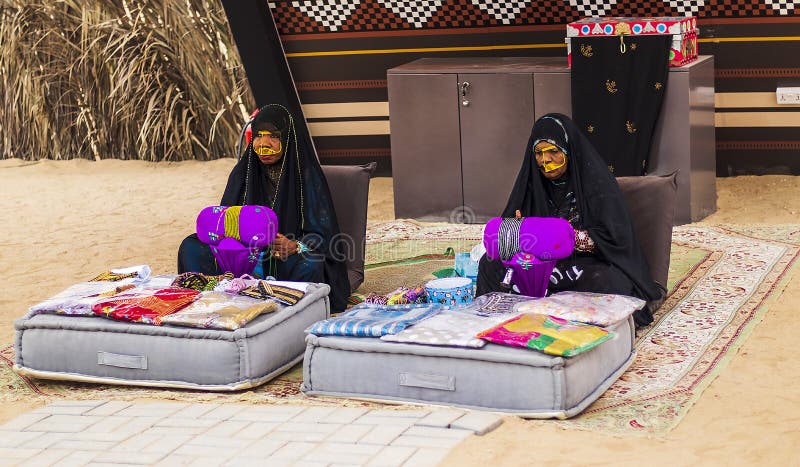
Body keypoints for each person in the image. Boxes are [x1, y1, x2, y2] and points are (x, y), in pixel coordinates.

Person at [476, 113, 664, 326]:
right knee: (489, 264)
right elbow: (506, 241)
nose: (545, 160)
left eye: (553, 152)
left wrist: (567, 239)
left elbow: (616, 240)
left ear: (569, 150)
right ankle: (494, 319)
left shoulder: (597, 186)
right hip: (536, 266)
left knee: (609, 281)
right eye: (538, 153)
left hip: (581, 266)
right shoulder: (531, 184)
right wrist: (519, 230)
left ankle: (552, 308)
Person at [177, 104, 350, 311]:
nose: (264, 144)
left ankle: (285, 309)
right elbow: (224, 220)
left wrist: (296, 246)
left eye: (273, 136)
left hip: (280, 258)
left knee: (310, 263)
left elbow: (325, 236)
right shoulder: (244, 173)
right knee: (191, 246)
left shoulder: (307, 177)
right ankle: (214, 299)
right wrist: (228, 240)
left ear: (287, 139)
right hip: (242, 255)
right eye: (258, 136)